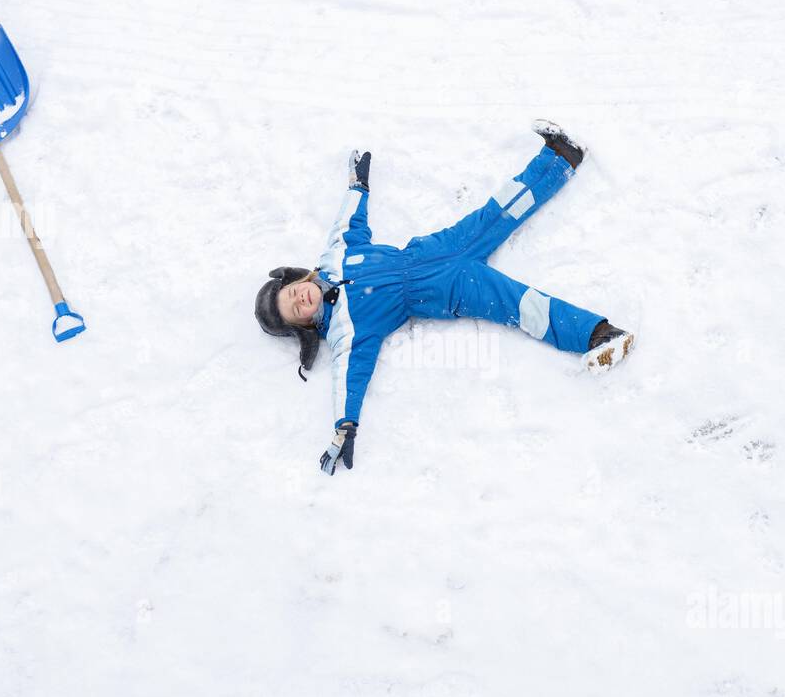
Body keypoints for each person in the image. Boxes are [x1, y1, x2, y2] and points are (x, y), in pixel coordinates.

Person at [254, 121, 635, 475]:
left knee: (498, 211)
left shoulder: (335, 257)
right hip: (448, 287)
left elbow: (349, 219)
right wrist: (345, 426)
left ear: (295, 278)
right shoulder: (347, 331)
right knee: (518, 303)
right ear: (304, 326)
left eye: (292, 293)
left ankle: (559, 158)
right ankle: (597, 335)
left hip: (434, 248)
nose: (301, 299)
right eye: (296, 310)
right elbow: (349, 379)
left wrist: (358, 184)